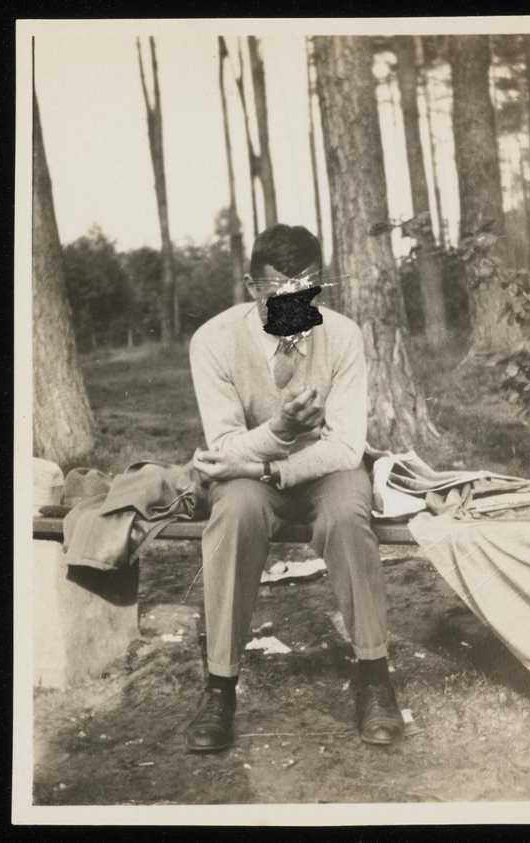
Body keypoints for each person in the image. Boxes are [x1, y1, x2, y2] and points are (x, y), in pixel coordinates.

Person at [188, 224, 404, 752]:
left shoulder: (344, 335)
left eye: (305, 295)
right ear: (250, 286)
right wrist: (277, 434)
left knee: (348, 516)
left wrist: (275, 466)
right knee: (235, 513)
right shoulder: (213, 340)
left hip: (321, 469)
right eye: (278, 295)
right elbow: (222, 446)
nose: (292, 311)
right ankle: (220, 685)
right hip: (248, 477)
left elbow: (347, 445)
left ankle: (375, 677)